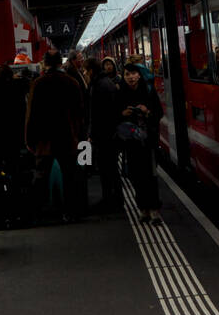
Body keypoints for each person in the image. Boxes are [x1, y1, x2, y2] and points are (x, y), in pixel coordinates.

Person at [24, 49, 85, 220]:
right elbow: (79, 113)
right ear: (60, 63)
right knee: (70, 176)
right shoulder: (72, 82)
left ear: (44, 63)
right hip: (68, 138)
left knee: (41, 176)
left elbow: (31, 115)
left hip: (45, 140)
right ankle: (72, 212)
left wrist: (29, 140)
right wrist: (79, 135)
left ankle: (39, 213)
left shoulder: (38, 84)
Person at [118, 62, 164, 223]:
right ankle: (143, 208)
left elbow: (159, 113)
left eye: (133, 74)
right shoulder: (120, 93)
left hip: (148, 140)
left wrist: (147, 112)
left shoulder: (149, 91)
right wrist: (123, 113)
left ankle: (154, 209)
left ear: (139, 75)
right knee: (136, 176)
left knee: (150, 175)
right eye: (127, 74)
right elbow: (114, 116)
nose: (131, 77)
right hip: (130, 141)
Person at [84, 57, 123, 211]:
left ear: (92, 71)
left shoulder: (98, 86)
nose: (85, 73)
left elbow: (96, 114)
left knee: (107, 169)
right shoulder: (106, 82)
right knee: (111, 169)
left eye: (86, 70)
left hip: (104, 135)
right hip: (110, 133)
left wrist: (91, 134)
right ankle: (115, 199)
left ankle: (110, 200)